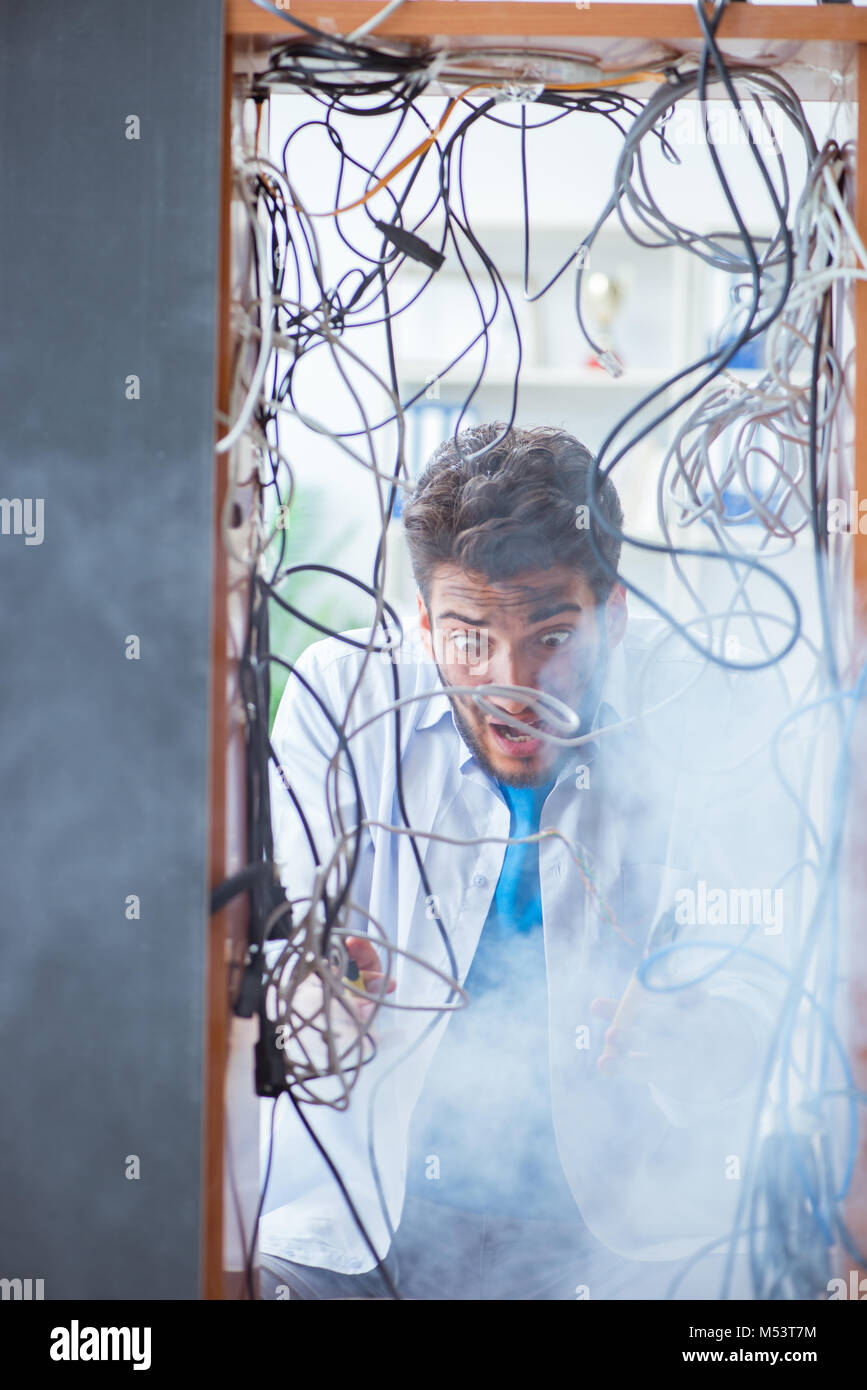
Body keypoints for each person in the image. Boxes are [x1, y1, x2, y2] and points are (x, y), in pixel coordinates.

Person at [256, 423, 790, 1300]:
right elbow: (280, 956)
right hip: (353, 1230)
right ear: (424, 624)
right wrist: (316, 996)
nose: (513, 682)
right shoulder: (335, 696)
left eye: (550, 636)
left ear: (612, 613)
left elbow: (762, 982)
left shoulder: (705, 709)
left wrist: (705, 1034)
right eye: (469, 638)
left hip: (616, 1238)